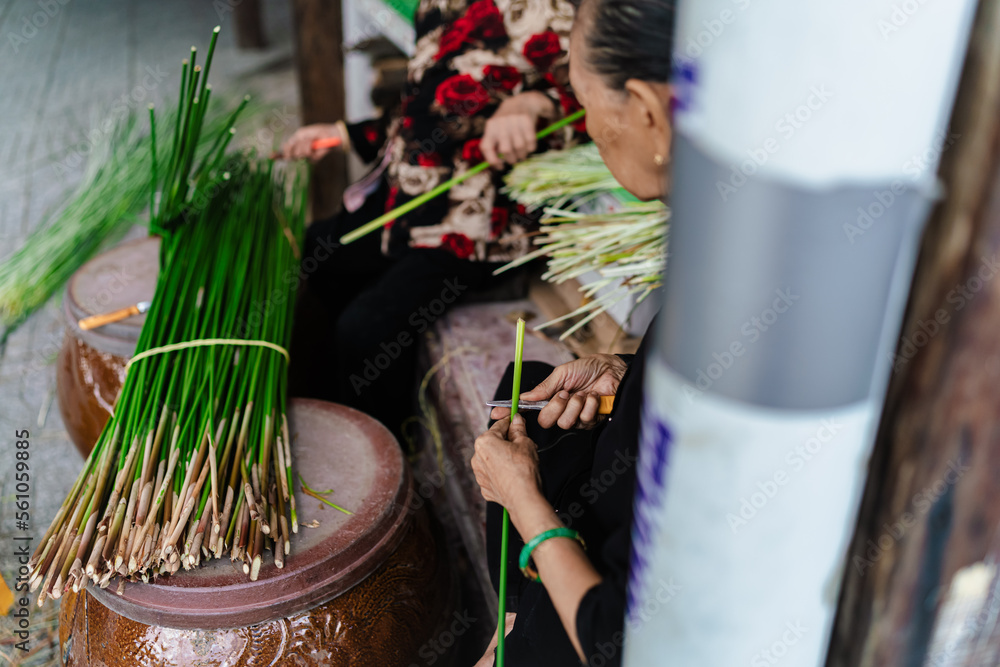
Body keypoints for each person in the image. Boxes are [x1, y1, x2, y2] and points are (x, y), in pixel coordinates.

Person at [469, 0, 673, 664]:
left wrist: (523, 501)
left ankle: (525, 634)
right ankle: (514, 619)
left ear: (648, 110)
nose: (588, 128)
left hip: (623, 629)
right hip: (649, 485)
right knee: (520, 397)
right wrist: (623, 372)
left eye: (588, 105)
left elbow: (620, 640)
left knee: (520, 463)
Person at [282, 0, 585, 441]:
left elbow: (604, 106)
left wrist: (534, 102)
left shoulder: (560, 12)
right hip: (406, 195)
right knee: (317, 251)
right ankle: (323, 403)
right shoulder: (438, 5)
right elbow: (425, 106)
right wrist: (347, 133)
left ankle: (384, 447)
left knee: (366, 328)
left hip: (472, 223)